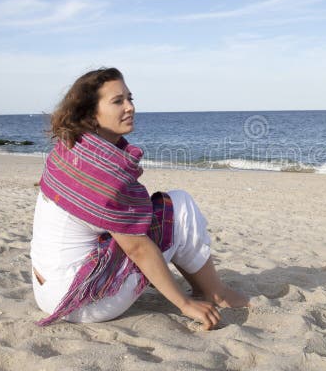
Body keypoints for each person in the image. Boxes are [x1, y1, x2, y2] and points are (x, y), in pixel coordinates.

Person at [31, 67, 247, 330]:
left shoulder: (71, 148)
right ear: (90, 113)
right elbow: (137, 248)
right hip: (82, 301)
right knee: (179, 205)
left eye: (130, 98)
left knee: (153, 215)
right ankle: (215, 292)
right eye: (117, 101)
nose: (130, 107)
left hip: (46, 291)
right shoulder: (102, 170)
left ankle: (207, 287)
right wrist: (184, 304)